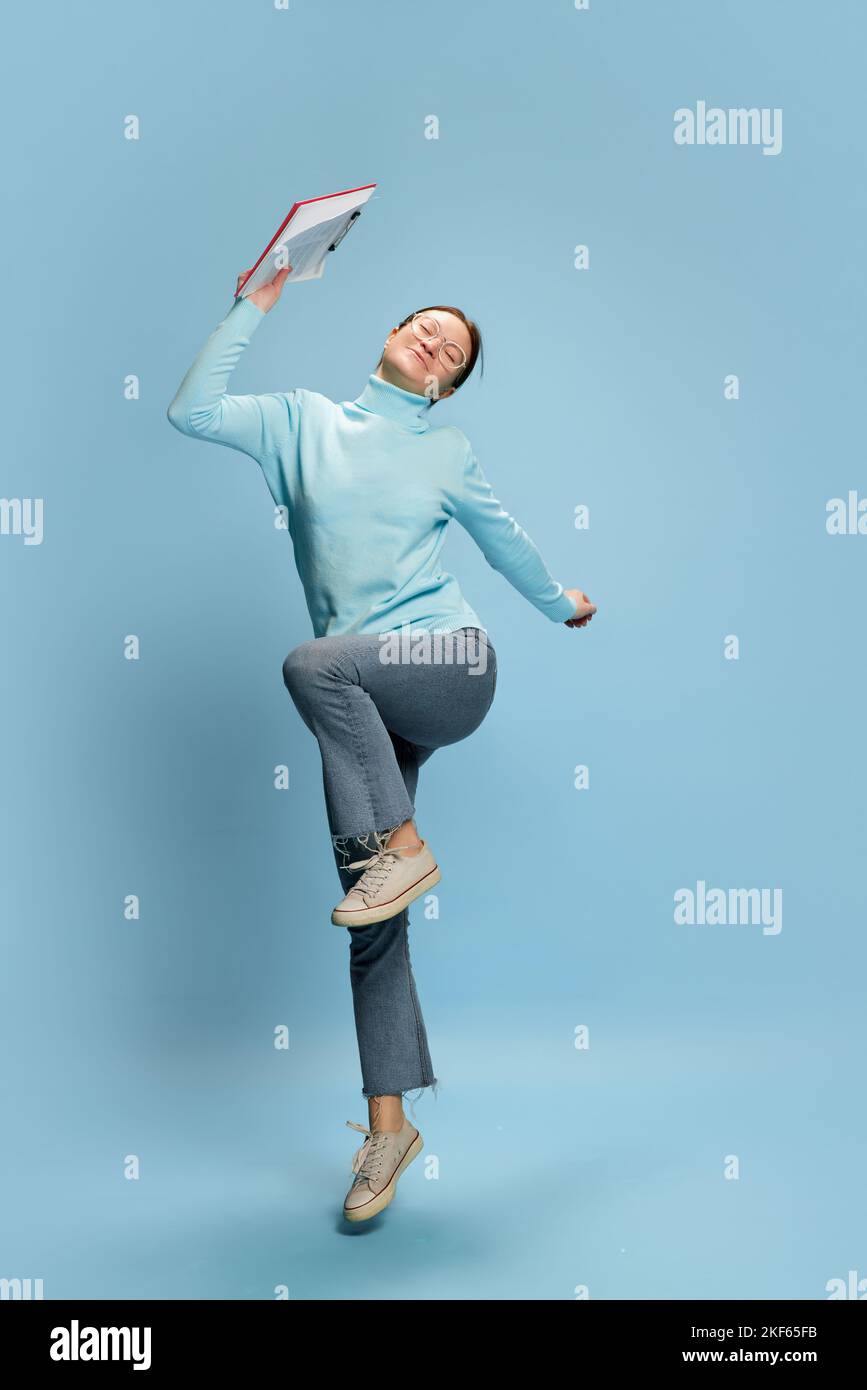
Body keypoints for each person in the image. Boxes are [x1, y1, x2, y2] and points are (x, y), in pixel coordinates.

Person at [167, 264, 597, 1222]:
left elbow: (507, 544)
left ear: (445, 384)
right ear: (393, 335)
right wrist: (259, 298)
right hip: (365, 703)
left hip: (446, 663)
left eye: (453, 347)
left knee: (313, 664)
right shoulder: (300, 424)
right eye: (424, 323)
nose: (433, 340)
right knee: (371, 917)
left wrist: (559, 602)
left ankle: (404, 851)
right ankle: (387, 1131)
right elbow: (191, 413)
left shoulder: (445, 449)